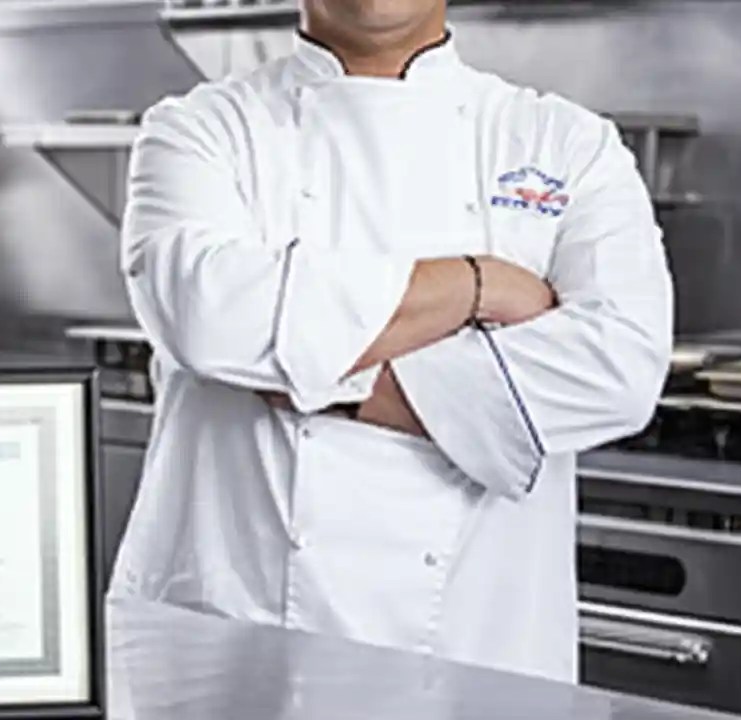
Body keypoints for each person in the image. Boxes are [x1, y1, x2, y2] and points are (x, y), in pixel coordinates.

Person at [110, 0, 673, 683]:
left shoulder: (564, 144)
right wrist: (478, 284)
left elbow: (620, 368)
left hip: (477, 653)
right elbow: (210, 314)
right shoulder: (200, 131)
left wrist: (323, 380)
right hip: (234, 646)